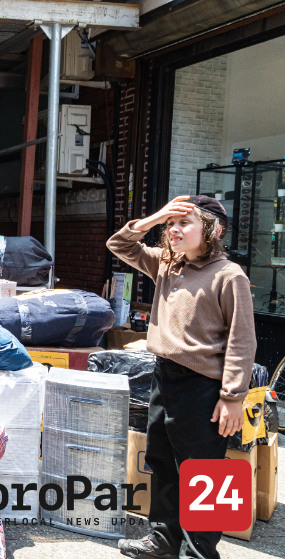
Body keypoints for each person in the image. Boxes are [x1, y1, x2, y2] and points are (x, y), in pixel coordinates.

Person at [107, 195, 256, 559]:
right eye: (171, 223)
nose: (173, 229)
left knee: (204, 475)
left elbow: (242, 339)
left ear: (214, 230)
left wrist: (233, 397)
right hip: (164, 377)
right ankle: (163, 541)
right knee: (161, 463)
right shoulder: (166, 264)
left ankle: (199, 553)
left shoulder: (228, 275)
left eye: (184, 222)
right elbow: (118, 244)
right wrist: (156, 216)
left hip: (203, 388)